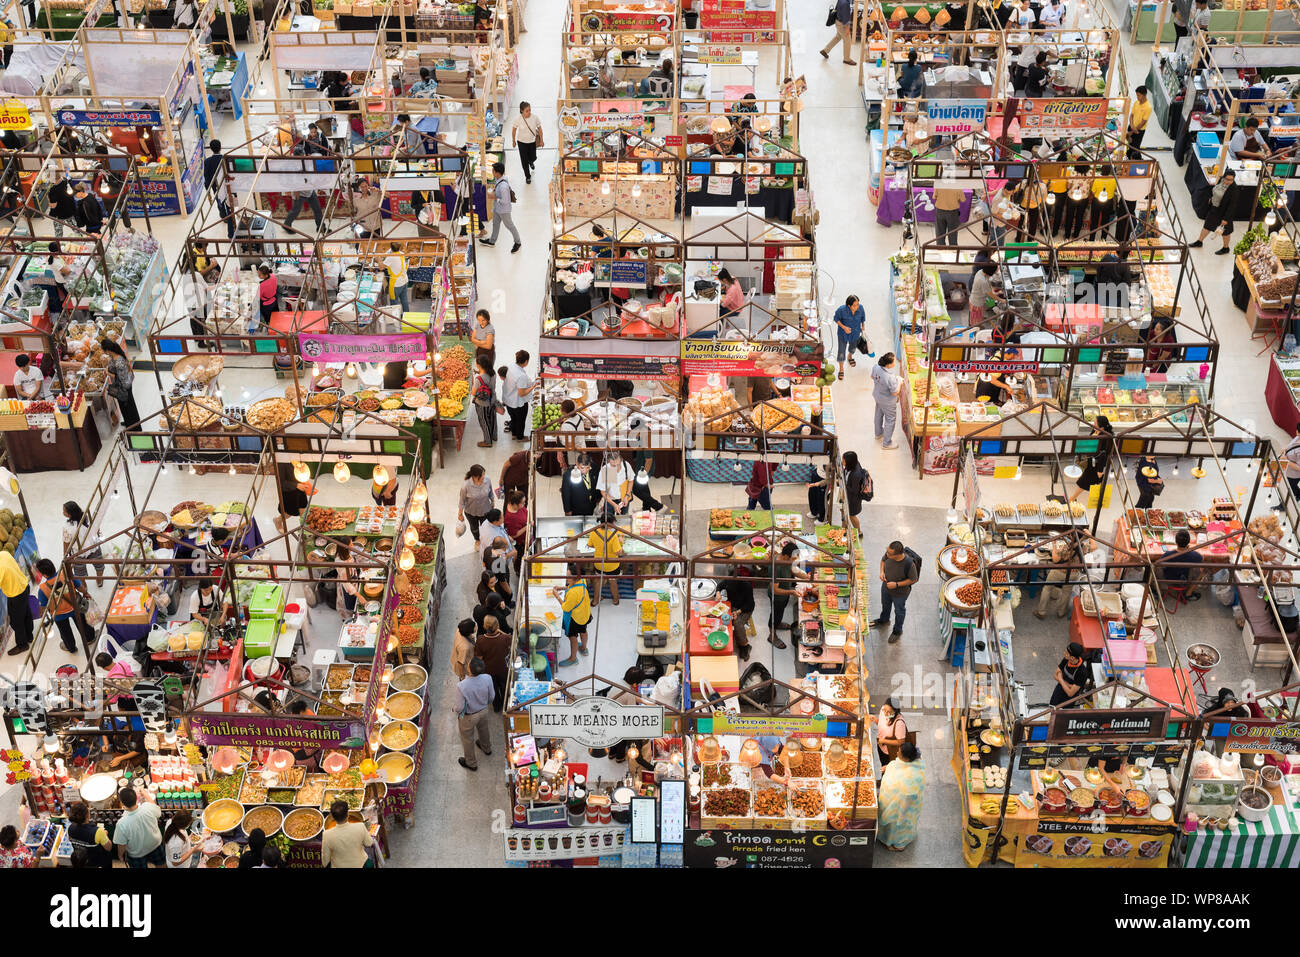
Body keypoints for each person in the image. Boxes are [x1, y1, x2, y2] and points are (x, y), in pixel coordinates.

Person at [877, 742, 925, 851]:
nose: (897, 752)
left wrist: (901, 816)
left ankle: (899, 846)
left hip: (901, 808)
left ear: (905, 757)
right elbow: (896, 766)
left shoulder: (911, 778)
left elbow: (906, 797)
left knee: (898, 827)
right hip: (895, 802)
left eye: (899, 751)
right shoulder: (916, 763)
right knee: (892, 826)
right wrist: (888, 767)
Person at [872, 540, 918, 643]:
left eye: (889, 553)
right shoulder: (888, 555)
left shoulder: (909, 564)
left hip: (900, 594)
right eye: (887, 551)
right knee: (885, 604)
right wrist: (882, 572)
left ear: (897, 555)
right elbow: (883, 561)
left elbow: (913, 579)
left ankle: (897, 630)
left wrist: (896, 584)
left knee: (899, 611)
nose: (886, 554)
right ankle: (884, 619)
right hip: (886, 587)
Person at [454, 658, 496, 772]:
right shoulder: (488, 678)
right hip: (483, 711)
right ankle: (486, 747)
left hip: (469, 716)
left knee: (467, 738)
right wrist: (483, 704)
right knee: (484, 729)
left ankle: (471, 762)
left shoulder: (461, 686)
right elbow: (492, 696)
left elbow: (459, 707)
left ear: (469, 669)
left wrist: (455, 710)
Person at [35, 558, 84, 653]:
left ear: (43, 574)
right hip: (74, 606)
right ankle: (90, 638)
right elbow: (79, 586)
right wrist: (85, 593)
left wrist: (41, 613)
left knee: (65, 633)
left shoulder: (43, 589)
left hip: (59, 614)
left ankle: (71, 648)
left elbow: (43, 607)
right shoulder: (66, 575)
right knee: (83, 624)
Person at [597, 448, 663, 513]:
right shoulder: (606, 470)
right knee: (609, 519)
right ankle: (649, 508)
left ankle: (653, 507)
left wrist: (627, 496)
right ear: (608, 463)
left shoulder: (626, 466)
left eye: (618, 465)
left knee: (624, 518)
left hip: (624, 499)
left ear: (621, 460)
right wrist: (613, 504)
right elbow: (603, 491)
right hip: (610, 501)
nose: (616, 468)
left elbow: (631, 480)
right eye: (613, 466)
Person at [768, 541, 807, 648]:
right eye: (793, 559)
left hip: (784, 594)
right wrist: (792, 592)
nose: (794, 561)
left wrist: (808, 577)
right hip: (777, 596)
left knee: (780, 613)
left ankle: (779, 623)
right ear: (786, 556)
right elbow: (774, 590)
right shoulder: (776, 567)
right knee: (775, 616)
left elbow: (793, 570)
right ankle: (772, 635)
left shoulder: (786, 561)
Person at [1035, 534, 1083, 618]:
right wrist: (1088, 535)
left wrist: (1054, 544)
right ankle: (1061, 612)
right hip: (1073, 574)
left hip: (1059, 572)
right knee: (1066, 592)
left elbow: (1055, 559)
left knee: (1047, 589)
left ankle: (1041, 612)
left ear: (1072, 537)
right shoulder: (1083, 547)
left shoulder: (1066, 548)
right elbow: (1094, 546)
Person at [114, 787, 164, 868]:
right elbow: (155, 807)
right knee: (162, 865)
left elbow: (121, 844)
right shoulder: (148, 807)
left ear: (122, 803)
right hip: (155, 845)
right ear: (136, 798)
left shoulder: (121, 823)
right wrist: (145, 793)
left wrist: (120, 855)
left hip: (137, 854)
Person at [1191, 169, 1236, 255]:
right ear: (1224, 177)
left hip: (1224, 212)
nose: (1228, 181)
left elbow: (1232, 206)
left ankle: (1226, 248)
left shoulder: (1234, 189)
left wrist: (1226, 219)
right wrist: (1211, 198)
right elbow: (1215, 189)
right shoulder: (1221, 181)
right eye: (1227, 179)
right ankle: (1199, 241)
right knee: (1207, 225)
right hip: (1214, 208)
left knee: (1225, 232)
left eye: (1231, 180)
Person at [1070, 415, 1113, 503]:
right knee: (1095, 482)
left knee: (1085, 482)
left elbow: (1103, 455)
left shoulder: (1106, 438)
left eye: (1095, 424)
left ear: (1102, 427)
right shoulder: (1096, 430)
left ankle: (1072, 499)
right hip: (1091, 461)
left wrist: (1100, 470)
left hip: (1097, 465)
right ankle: (1100, 499)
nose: (1093, 425)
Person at [481, 162, 521, 252]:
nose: (492, 172)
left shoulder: (503, 186)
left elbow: (505, 201)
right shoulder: (500, 179)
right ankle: (492, 241)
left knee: (510, 226)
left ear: (497, 173)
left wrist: (494, 197)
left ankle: (518, 242)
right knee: (495, 224)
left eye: (493, 171)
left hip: (504, 210)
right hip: (497, 209)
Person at [555, 571, 592, 665]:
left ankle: (573, 659)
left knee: (573, 637)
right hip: (584, 613)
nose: (566, 577)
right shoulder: (582, 580)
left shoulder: (572, 593)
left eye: (568, 576)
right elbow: (573, 586)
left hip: (575, 618)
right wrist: (561, 588)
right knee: (583, 631)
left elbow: (565, 608)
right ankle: (584, 648)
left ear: (575, 578)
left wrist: (557, 596)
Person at [0, 549, 32, 656]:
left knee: (16, 621)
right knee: (26, 612)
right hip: (24, 585)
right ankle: (29, 636)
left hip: (15, 594)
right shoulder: (4, 554)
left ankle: (22, 645)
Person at [474, 614, 510, 710]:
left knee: (492, 689)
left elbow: (479, 657)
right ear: (497, 626)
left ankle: (497, 706)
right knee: (504, 687)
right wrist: (500, 631)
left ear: (484, 626)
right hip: (503, 668)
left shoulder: (481, 639)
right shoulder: (505, 638)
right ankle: (505, 704)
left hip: (489, 670)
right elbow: (511, 639)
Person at [321, 799, 373, 866]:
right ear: (347, 814)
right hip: (360, 864)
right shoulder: (360, 826)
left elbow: (325, 860)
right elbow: (369, 843)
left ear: (333, 817)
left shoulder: (327, 835)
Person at [588, 515, 624, 607]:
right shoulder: (613, 536)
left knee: (598, 581)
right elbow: (618, 552)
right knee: (612, 582)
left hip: (599, 564)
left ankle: (595, 600)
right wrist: (621, 541)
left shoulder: (594, 532)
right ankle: (615, 600)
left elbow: (590, 545)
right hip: (612, 566)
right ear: (611, 523)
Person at [1158, 529, 1203, 601]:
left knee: (1154, 568)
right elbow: (1201, 559)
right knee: (1203, 571)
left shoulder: (1168, 555)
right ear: (1188, 542)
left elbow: (1158, 564)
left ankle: (1159, 592)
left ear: (1176, 542)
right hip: (1187, 579)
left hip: (1170, 579)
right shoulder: (1195, 555)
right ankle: (1189, 593)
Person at [65, 802, 113, 868]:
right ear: (87, 816)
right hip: (96, 862)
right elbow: (108, 848)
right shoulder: (98, 832)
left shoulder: (70, 828)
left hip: (81, 862)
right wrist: (105, 835)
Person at [871, 353, 902, 450]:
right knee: (890, 420)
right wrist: (900, 382)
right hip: (888, 401)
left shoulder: (876, 367)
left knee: (878, 414)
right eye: (893, 361)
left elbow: (872, 377)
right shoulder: (890, 376)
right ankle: (887, 443)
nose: (895, 362)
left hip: (877, 395)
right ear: (888, 365)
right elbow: (895, 392)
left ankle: (878, 433)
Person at [457, 463, 495, 541]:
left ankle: (484, 539)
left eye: (484, 474)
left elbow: (490, 492)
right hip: (471, 512)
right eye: (482, 475)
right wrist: (460, 514)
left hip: (485, 510)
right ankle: (477, 540)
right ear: (475, 477)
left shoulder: (487, 480)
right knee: (474, 528)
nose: (484, 476)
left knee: (485, 527)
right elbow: (462, 501)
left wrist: (492, 501)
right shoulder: (465, 486)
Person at [724, 571, 755, 661]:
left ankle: (745, 646)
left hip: (745, 609)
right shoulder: (728, 581)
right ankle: (732, 637)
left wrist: (737, 612)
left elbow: (750, 605)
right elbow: (721, 585)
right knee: (722, 617)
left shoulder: (747, 586)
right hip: (733, 606)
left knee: (737, 624)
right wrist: (718, 592)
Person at [502, 350, 532, 440]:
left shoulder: (511, 366)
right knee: (520, 420)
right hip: (517, 403)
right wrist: (533, 387)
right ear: (526, 362)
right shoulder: (521, 375)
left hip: (508, 399)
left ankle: (514, 434)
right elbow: (521, 393)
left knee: (513, 418)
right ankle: (520, 437)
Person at [832, 295, 865, 378]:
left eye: (858, 304)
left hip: (856, 332)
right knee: (841, 351)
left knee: (853, 347)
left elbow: (862, 318)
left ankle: (850, 356)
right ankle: (841, 369)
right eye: (855, 305)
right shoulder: (841, 310)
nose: (857, 307)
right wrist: (844, 327)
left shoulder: (860, 308)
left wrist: (863, 326)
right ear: (849, 306)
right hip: (843, 334)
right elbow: (836, 319)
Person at [1051, 641, 1091, 707]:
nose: (1064, 653)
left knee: (1062, 714)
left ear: (1072, 657)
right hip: (1058, 690)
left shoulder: (1082, 672)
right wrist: (1069, 685)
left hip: (1068, 699)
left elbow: (1070, 693)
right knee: (1052, 707)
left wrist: (1060, 679)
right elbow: (1055, 676)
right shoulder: (1066, 660)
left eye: (1066, 652)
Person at [471, 353, 498, 448]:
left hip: (482, 403)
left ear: (479, 365)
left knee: (484, 421)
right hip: (492, 399)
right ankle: (494, 436)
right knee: (492, 419)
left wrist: (473, 384)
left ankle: (487, 441)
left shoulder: (478, 379)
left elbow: (473, 393)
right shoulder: (493, 373)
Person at [842, 450, 871, 536]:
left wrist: (842, 484)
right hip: (847, 496)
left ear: (849, 463)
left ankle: (859, 532)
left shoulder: (856, 474)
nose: (842, 462)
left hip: (853, 499)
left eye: (844, 461)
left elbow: (854, 490)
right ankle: (843, 528)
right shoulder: (853, 465)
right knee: (844, 512)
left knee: (852, 515)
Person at [512, 101, 541, 184]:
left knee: (533, 157)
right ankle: (527, 176)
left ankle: (531, 161)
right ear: (521, 111)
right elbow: (514, 130)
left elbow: (540, 129)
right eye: (527, 111)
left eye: (530, 110)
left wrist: (541, 140)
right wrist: (513, 141)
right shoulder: (518, 119)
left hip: (532, 142)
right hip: (521, 143)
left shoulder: (535, 117)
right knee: (524, 161)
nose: (529, 112)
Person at [820, 0, 856, 64]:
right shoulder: (846, 4)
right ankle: (847, 59)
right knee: (847, 40)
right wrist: (847, 28)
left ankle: (825, 50)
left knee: (838, 37)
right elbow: (846, 17)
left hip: (838, 21)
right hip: (842, 24)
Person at [876, 698, 909, 767]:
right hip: (880, 745)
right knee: (882, 763)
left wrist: (883, 740)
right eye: (884, 710)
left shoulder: (899, 723)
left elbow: (901, 742)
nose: (885, 713)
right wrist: (875, 720)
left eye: (888, 712)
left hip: (889, 751)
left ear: (895, 711)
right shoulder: (884, 710)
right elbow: (883, 725)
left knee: (887, 769)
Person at [503, 489, 528, 576]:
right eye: (522, 503)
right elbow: (514, 534)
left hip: (525, 538)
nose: (524, 504)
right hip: (519, 543)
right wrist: (527, 527)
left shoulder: (516, 507)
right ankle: (519, 572)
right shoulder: (511, 518)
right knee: (520, 560)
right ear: (515, 504)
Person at [383, 242, 409, 314]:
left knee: (394, 302)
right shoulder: (401, 253)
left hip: (396, 284)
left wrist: (378, 258)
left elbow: (381, 267)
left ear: (391, 248)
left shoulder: (390, 258)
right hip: (404, 280)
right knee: (404, 300)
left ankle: (396, 318)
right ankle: (406, 316)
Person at [1128, 86, 1152, 158]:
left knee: (1135, 148)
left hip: (1139, 131)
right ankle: (1128, 159)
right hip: (1132, 128)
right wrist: (1131, 125)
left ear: (1144, 95)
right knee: (1128, 145)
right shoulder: (1136, 103)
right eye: (1137, 95)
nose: (1137, 97)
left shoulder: (1148, 107)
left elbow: (1143, 122)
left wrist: (1133, 130)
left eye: (1139, 95)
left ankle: (1136, 161)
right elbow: (1131, 115)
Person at [1282, 424, 1300, 501]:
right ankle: (1299, 495)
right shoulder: (1297, 438)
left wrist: (1286, 460)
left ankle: (1282, 506)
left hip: (1293, 475)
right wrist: (1285, 448)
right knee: (1293, 486)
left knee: (1288, 489)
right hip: (1288, 470)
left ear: (1298, 432)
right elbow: (1292, 445)